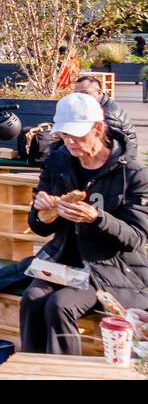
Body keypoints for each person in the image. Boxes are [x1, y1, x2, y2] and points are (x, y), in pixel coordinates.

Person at [19, 92, 148, 355]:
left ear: (99, 128)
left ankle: (67, 372)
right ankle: (34, 369)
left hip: (113, 267)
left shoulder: (132, 173)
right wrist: (42, 212)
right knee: (31, 299)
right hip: (64, 259)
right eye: (64, 136)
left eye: (76, 135)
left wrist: (97, 218)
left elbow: (136, 237)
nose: (70, 142)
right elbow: (40, 228)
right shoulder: (59, 161)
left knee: (59, 305)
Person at [71, 74, 139, 162]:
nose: (80, 97)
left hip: (117, 162)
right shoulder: (94, 107)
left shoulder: (107, 115)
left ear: (99, 92)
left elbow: (109, 145)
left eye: (85, 93)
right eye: (76, 94)